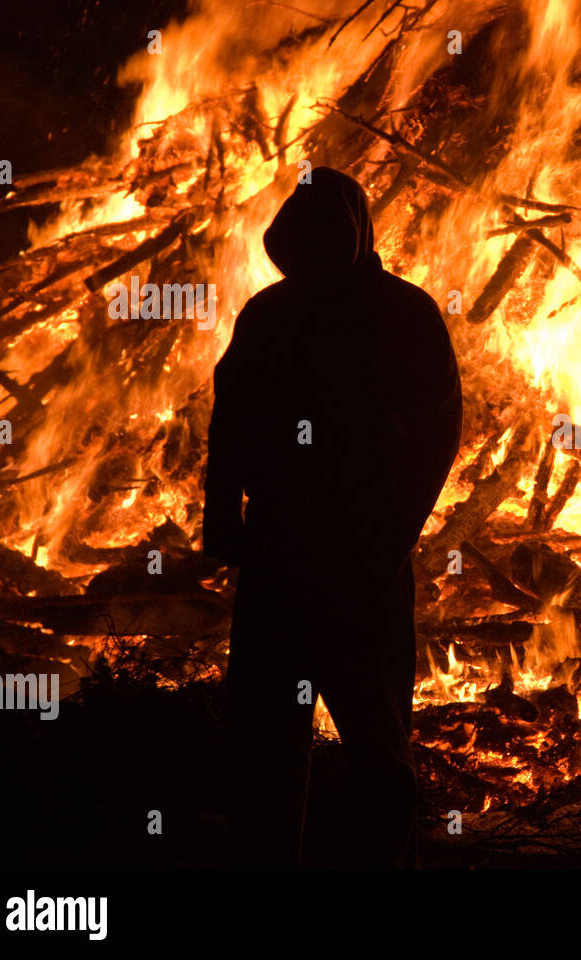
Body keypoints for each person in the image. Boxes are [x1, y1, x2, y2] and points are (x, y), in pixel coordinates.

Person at [202, 166, 462, 867]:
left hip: (351, 561)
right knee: (268, 751)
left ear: (354, 235)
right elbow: (230, 424)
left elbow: (436, 438)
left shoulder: (401, 316)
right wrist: (223, 515)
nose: (314, 250)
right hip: (290, 558)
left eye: (327, 236)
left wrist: (389, 537)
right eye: (304, 237)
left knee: (376, 747)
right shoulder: (273, 316)